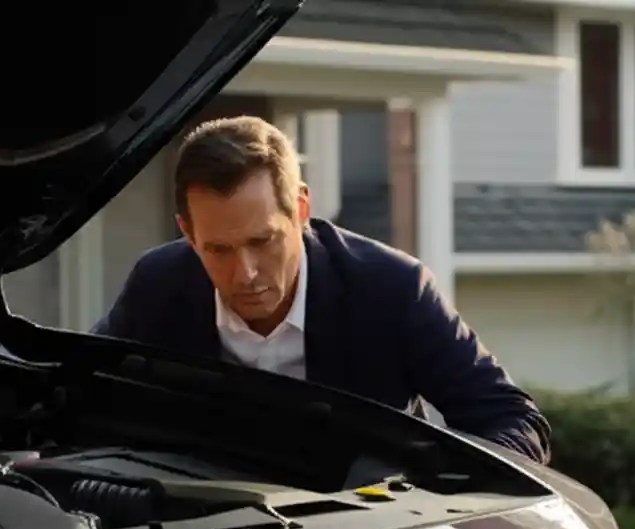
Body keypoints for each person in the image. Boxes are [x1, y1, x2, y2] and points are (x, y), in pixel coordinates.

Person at [91, 116, 551, 465]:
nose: (245, 273)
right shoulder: (158, 285)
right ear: (187, 233)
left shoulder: (392, 290)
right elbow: (80, 393)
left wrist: (428, 491)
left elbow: (516, 423)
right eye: (218, 250)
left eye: (262, 241)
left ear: (302, 209)